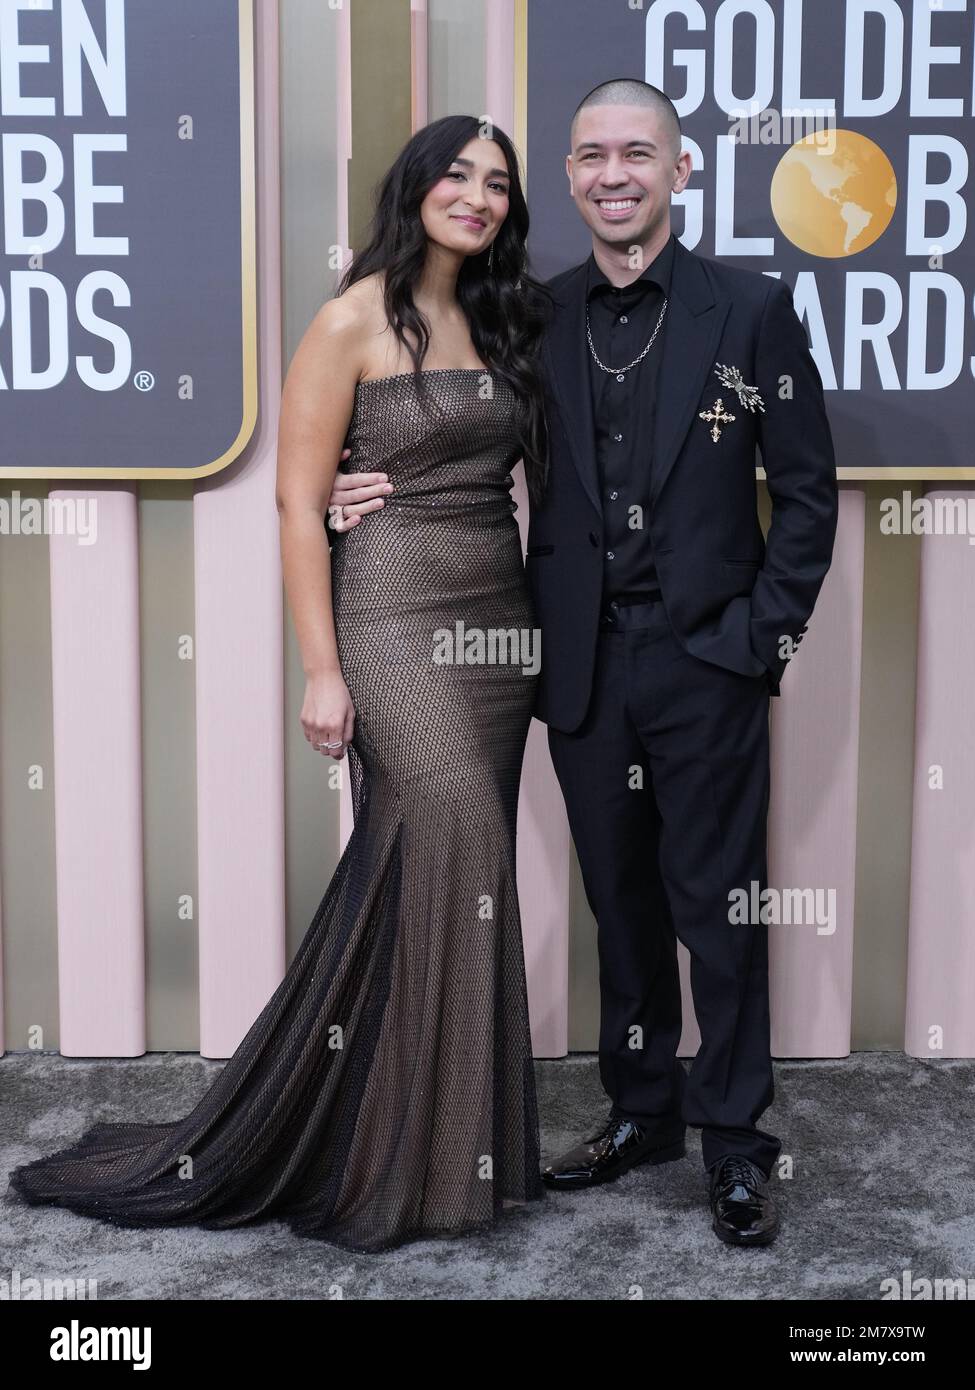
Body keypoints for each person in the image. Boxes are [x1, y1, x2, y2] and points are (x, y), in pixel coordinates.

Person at [7, 115, 554, 1254]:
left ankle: (445, 1139)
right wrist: (321, 669)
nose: (477, 195)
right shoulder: (349, 318)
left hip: (497, 619)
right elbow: (301, 504)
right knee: (447, 829)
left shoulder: (507, 317)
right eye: (456, 173)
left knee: (457, 862)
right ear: (414, 187)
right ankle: (397, 1147)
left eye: (497, 183)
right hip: (394, 610)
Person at [329, 80, 839, 1247]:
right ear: (568, 179)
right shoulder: (532, 317)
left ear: (680, 170)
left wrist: (761, 641)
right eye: (591, 157)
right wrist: (350, 493)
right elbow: (442, 433)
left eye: (637, 155)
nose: (614, 174)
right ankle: (641, 1108)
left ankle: (737, 1143)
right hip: (576, 666)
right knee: (622, 901)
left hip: (706, 659)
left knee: (717, 905)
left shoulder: (752, 311)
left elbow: (807, 494)